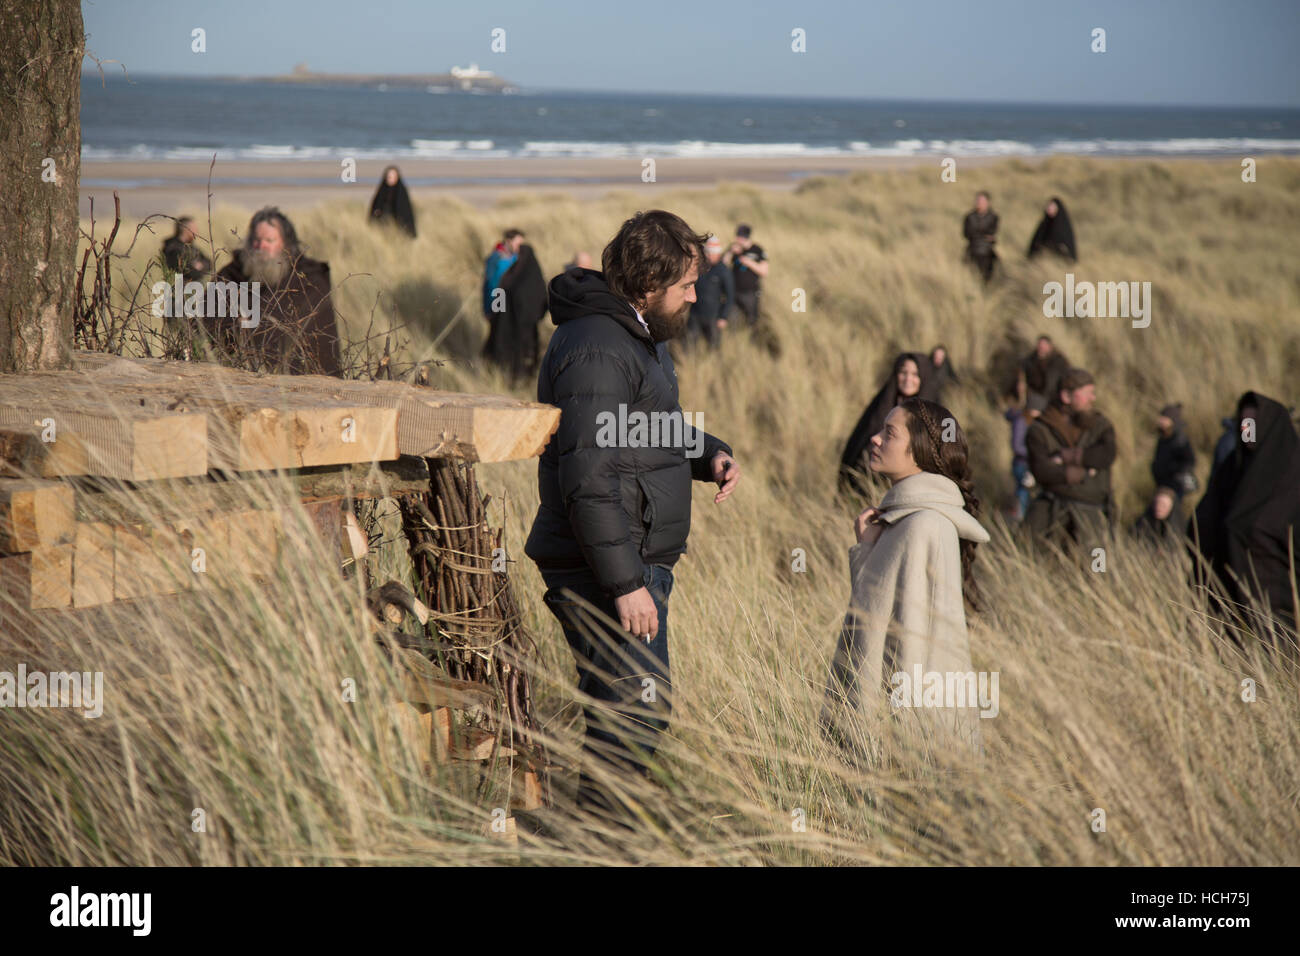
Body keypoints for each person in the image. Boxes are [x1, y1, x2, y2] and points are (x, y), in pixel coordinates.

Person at [524, 209, 741, 821]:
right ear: (648, 284)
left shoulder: (632, 334)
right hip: (606, 567)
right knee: (640, 708)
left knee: (619, 710)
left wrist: (710, 452)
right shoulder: (597, 345)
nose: (696, 297)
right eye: (687, 286)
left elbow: (647, 426)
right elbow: (587, 478)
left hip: (626, 559)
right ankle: (599, 841)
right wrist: (624, 583)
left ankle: (592, 839)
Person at [822, 397, 991, 759]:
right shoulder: (904, 520)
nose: (875, 439)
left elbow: (913, 645)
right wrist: (867, 548)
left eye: (890, 433)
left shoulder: (924, 525)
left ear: (919, 450)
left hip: (913, 735)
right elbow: (876, 615)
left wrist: (897, 736)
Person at [1191, 391, 1300, 640]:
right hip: (1233, 589)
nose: (1246, 430)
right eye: (1243, 424)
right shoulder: (1235, 465)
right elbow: (1207, 516)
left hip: (1281, 592)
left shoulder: (1292, 467)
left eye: (1251, 424)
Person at [209, 207, 341, 376]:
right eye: (256, 240)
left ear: (285, 245)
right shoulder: (233, 274)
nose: (261, 246)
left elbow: (321, 344)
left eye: (269, 240)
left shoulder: (309, 281)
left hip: (300, 386)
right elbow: (206, 322)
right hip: (234, 380)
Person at [1023, 367, 1117, 552]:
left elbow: (1106, 455)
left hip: (1093, 516)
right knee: (1035, 563)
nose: (1093, 398)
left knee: (1098, 571)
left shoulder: (1100, 425)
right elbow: (1042, 470)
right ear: (1066, 396)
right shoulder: (1040, 429)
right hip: (1051, 514)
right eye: (1087, 393)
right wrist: (1080, 473)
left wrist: (1069, 457)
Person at [839, 352, 929, 497]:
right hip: (868, 484)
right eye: (903, 372)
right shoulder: (882, 404)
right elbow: (859, 443)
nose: (908, 379)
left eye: (914, 374)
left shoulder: (931, 413)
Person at [485, 239, 548, 382]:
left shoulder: (512, 276)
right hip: (519, 327)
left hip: (516, 327)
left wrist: (496, 314)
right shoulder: (527, 276)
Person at [685, 234, 734, 350]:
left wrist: (723, 317)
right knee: (689, 345)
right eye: (706, 252)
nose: (707, 255)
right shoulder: (699, 268)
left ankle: (713, 366)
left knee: (713, 348)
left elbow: (730, 296)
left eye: (710, 253)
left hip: (714, 316)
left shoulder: (724, 271)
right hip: (695, 314)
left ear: (717, 253)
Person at [481, 228, 523, 361]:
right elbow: (492, 286)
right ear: (508, 241)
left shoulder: (517, 257)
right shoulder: (496, 258)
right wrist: (492, 309)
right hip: (497, 302)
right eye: (518, 243)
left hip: (510, 304)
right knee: (497, 336)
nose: (519, 247)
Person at [1004, 390, 1042, 521]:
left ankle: (1023, 518)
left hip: (1030, 463)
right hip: (1022, 464)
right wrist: (1034, 453)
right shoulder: (1021, 422)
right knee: (1023, 492)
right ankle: (1018, 519)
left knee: (1025, 492)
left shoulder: (1031, 422)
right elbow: (1017, 446)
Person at [1151, 403, 1197, 502]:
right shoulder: (1163, 438)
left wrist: (1174, 471)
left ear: (1172, 421)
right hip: (1163, 484)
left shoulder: (1180, 440)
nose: (1160, 421)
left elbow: (1190, 461)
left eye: (1164, 418)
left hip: (1174, 486)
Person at [728, 224, 767, 326]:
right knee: (733, 319)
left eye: (740, 236)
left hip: (750, 292)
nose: (737, 239)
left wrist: (749, 262)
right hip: (734, 291)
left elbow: (764, 271)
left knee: (751, 319)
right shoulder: (734, 248)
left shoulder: (757, 250)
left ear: (746, 237)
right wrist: (730, 252)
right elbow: (723, 264)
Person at [1019, 335, 1071, 410]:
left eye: (1044, 347)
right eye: (1040, 347)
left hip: (1056, 397)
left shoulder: (1059, 362)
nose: (1041, 349)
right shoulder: (1030, 361)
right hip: (1036, 397)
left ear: (1050, 347)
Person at [368, 165, 416, 237]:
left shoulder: (401, 192)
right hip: (383, 225)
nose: (390, 178)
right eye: (388, 176)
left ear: (397, 177)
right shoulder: (381, 191)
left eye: (392, 176)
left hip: (398, 226)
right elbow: (374, 209)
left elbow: (406, 213)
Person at [962, 190, 999, 283]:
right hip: (972, 249)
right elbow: (966, 234)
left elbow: (992, 232)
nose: (979, 203)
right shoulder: (969, 217)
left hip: (987, 251)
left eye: (982, 201)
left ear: (988, 203)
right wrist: (984, 236)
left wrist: (978, 235)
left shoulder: (993, 217)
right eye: (978, 201)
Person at [1026, 196, 1077, 261]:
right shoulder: (1044, 225)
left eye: (1052, 207)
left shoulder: (1064, 228)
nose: (1049, 208)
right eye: (1049, 206)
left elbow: (1068, 252)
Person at [161, 216, 211, 282]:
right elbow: (187, 272)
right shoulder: (172, 249)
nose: (197, 232)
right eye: (194, 228)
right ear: (186, 229)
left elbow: (209, 263)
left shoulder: (191, 247)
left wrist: (199, 266)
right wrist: (198, 267)